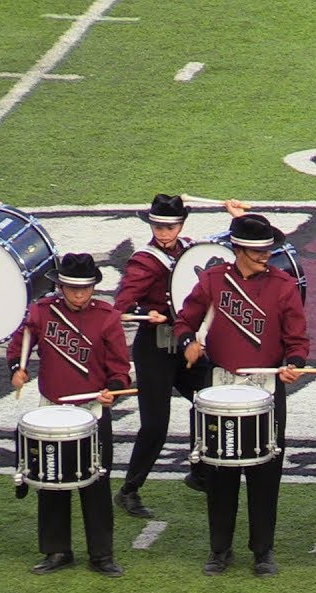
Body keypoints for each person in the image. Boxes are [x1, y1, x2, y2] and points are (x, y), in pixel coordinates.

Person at [175, 214, 310, 577]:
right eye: (256, 250)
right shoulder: (213, 281)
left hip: (266, 389)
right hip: (221, 387)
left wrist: (294, 362)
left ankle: (262, 550)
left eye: (267, 249)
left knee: (265, 472)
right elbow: (185, 321)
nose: (265, 255)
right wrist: (189, 343)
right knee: (220, 472)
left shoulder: (283, 286)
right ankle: (220, 549)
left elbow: (298, 339)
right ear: (237, 249)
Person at [8, 253, 130, 576]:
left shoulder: (107, 317)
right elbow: (19, 343)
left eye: (85, 288)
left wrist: (113, 390)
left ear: (93, 287)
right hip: (53, 410)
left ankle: (101, 554)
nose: (79, 295)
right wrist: (15, 369)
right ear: (60, 286)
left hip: (91, 411)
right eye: (72, 288)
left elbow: (120, 369)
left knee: (97, 482)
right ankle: (57, 550)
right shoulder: (42, 312)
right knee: (51, 483)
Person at [113, 194, 213, 517]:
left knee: (211, 396)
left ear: (181, 224)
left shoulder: (189, 249)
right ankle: (129, 489)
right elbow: (122, 304)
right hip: (154, 347)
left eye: (169, 226)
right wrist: (146, 311)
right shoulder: (144, 260)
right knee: (155, 425)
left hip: (183, 344)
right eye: (157, 225)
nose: (163, 232)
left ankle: (199, 470)